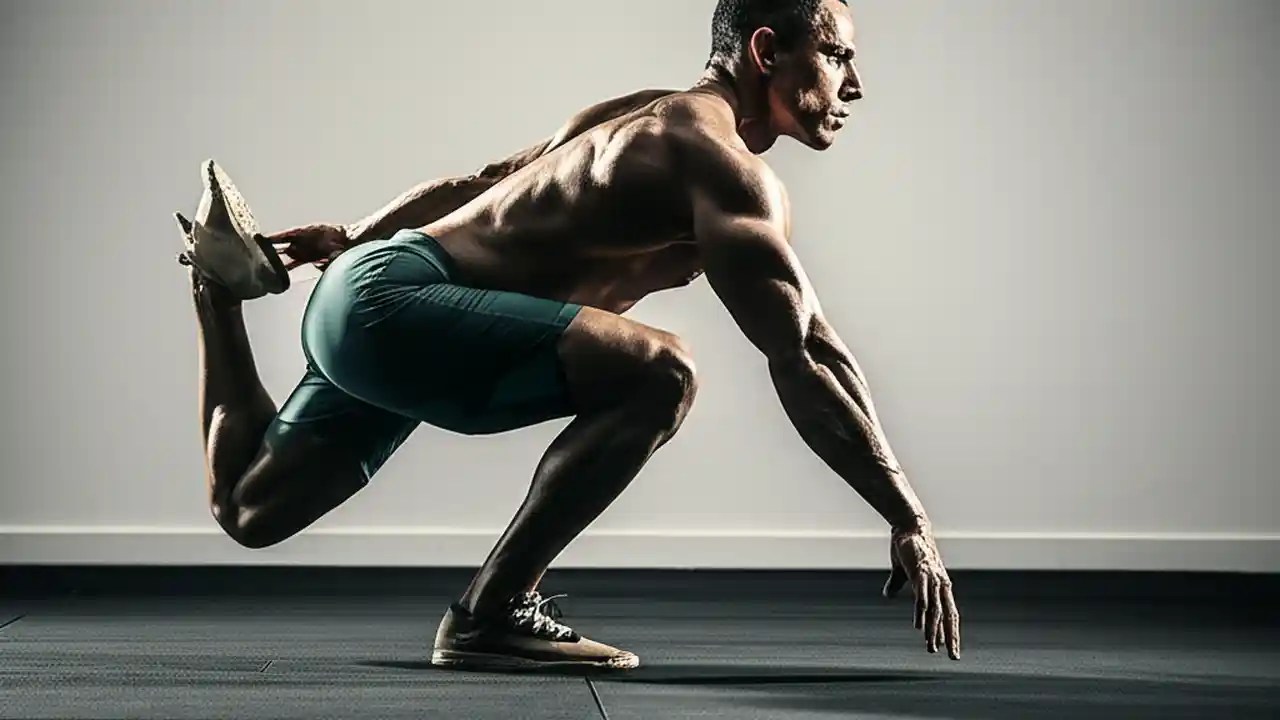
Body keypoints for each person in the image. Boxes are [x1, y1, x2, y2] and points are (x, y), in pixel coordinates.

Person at [175, 0, 961, 671]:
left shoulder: (631, 116)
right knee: (665, 372)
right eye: (835, 55)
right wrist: (907, 515)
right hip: (399, 305)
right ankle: (494, 611)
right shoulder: (724, 166)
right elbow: (804, 350)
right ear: (766, 51)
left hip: (382, 295)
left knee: (251, 508)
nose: (852, 84)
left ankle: (216, 291)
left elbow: (476, 186)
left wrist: (351, 237)